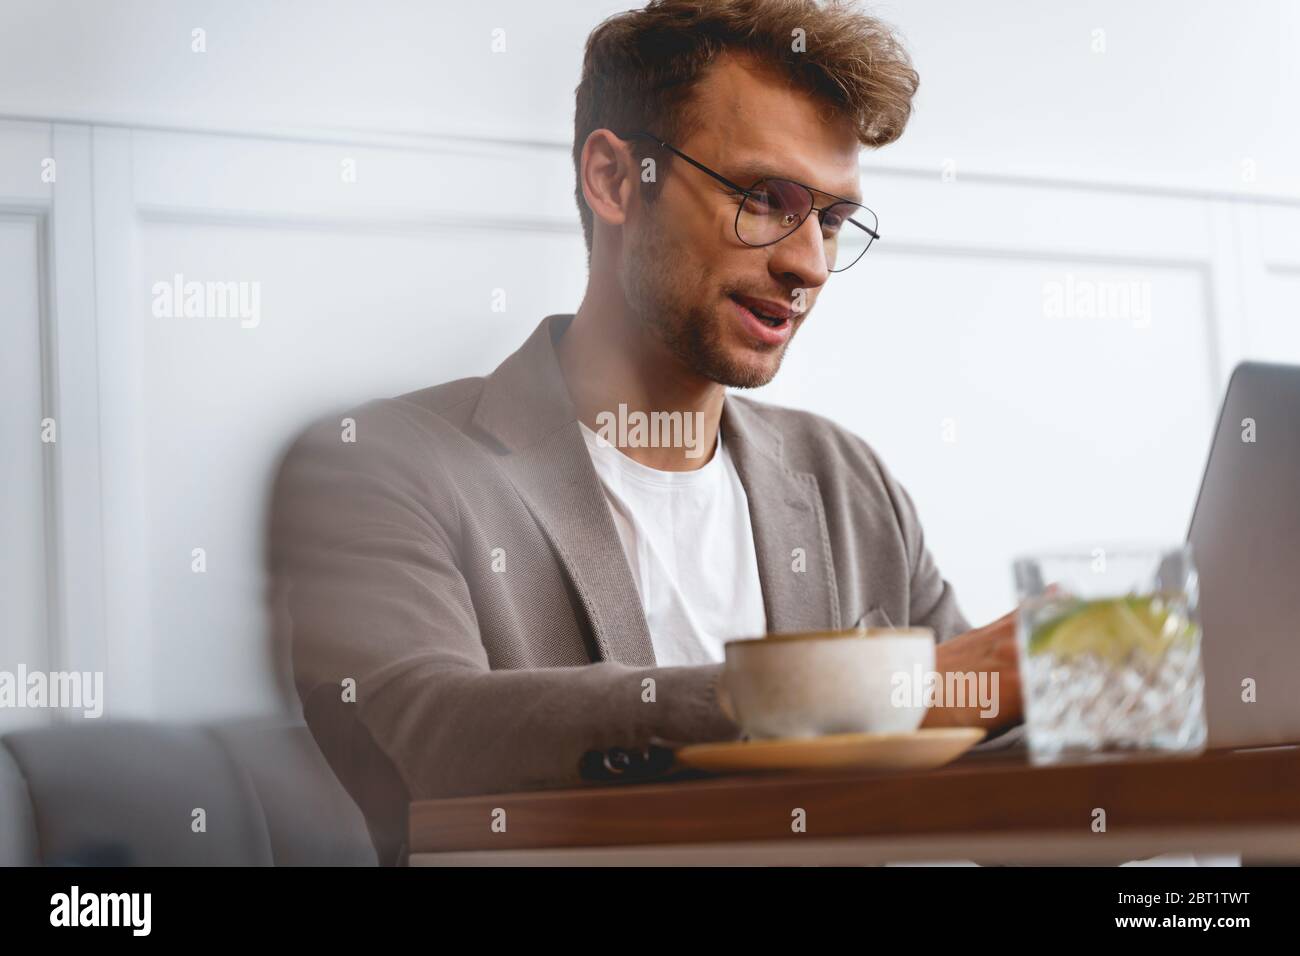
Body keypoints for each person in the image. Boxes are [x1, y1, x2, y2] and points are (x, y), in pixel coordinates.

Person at [267, 0, 1021, 866]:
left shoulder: (846, 477)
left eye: (833, 219)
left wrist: (1120, 693)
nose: (808, 262)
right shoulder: (385, 463)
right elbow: (430, 740)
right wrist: (875, 690)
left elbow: (988, 769)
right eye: (763, 197)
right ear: (615, 180)